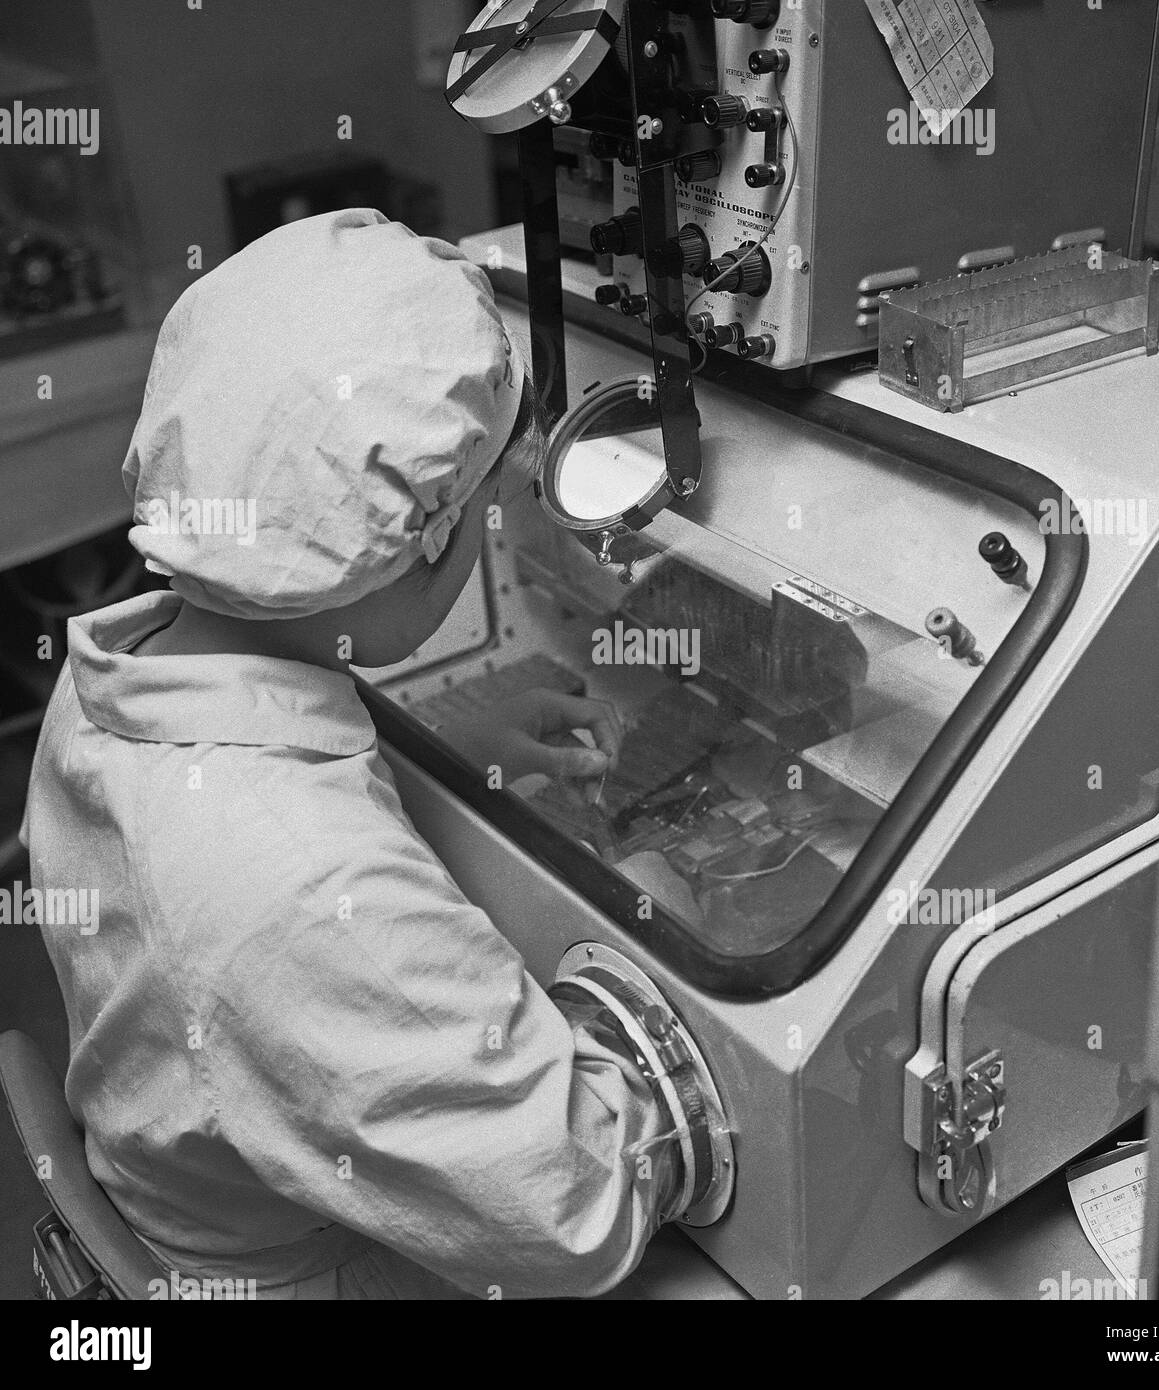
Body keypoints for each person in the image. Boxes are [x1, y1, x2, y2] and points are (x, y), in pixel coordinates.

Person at [20, 209, 681, 1299]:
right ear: (426, 542)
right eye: (478, 510)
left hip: (180, 1187)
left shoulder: (113, 673)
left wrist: (440, 753)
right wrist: (663, 964)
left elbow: (232, 854)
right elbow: (575, 1214)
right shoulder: (303, 886)